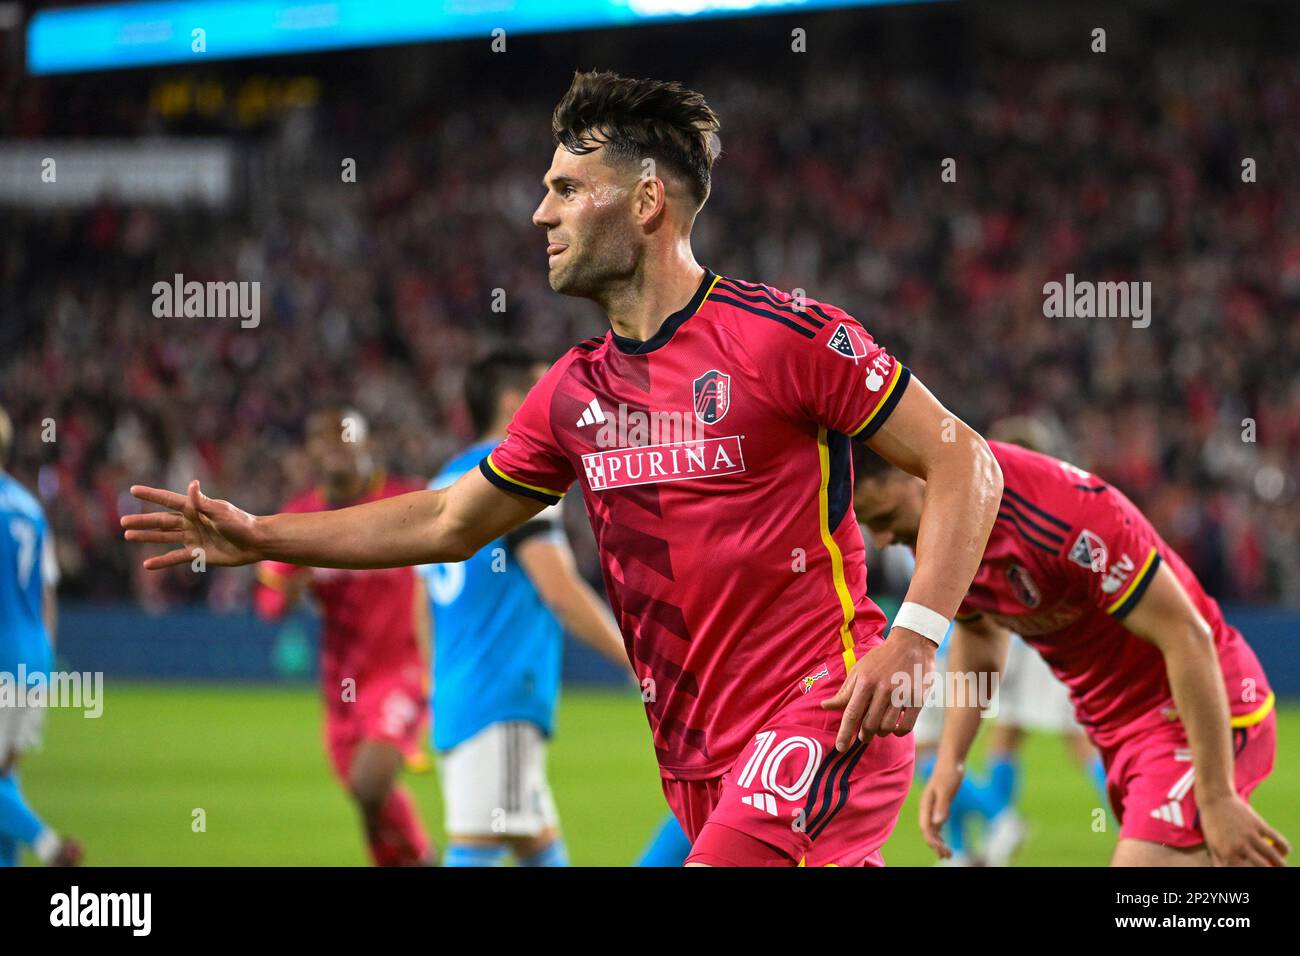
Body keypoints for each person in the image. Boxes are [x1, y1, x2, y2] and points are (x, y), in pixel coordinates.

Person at [122, 70, 1003, 866]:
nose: (541, 214)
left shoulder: (786, 337)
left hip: (824, 709)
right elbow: (444, 522)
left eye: (568, 189)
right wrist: (263, 533)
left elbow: (967, 462)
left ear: (648, 201)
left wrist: (915, 637)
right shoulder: (573, 393)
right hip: (695, 753)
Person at [851, 438, 1287, 866]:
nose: (885, 539)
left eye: (886, 517)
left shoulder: (1062, 517)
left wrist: (1215, 795)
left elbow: (1188, 636)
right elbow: (980, 641)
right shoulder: (942, 530)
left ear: (919, 474)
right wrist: (953, 760)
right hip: (1116, 733)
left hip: (1191, 715)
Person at [423, 349, 630, 867]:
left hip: (459, 693)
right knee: (477, 848)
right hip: (502, 694)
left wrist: (434, 682)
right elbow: (558, 589)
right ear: (517, 401)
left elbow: (417, 598)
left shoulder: (444, 480)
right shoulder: (514, 477)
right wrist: (637, 658)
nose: (562, 402)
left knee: (537, 842)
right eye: (548, 390)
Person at [253, 407, 434, 866]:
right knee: (364, 796)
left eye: (345, 440)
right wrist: (293, 590)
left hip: (402, 670)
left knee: (371, 782)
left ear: (367, 446)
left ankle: (424, 857)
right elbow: (270, 602)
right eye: (323, 442)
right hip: (341, 685)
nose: (335, 451)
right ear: (311, 453)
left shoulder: (405, 500)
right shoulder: (300, 515)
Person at [0, 406, 80, 866]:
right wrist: (44, 657)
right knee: (4, 778)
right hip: (32, 652)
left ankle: (48, 845)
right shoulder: (29, 507)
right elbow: (47, 593)